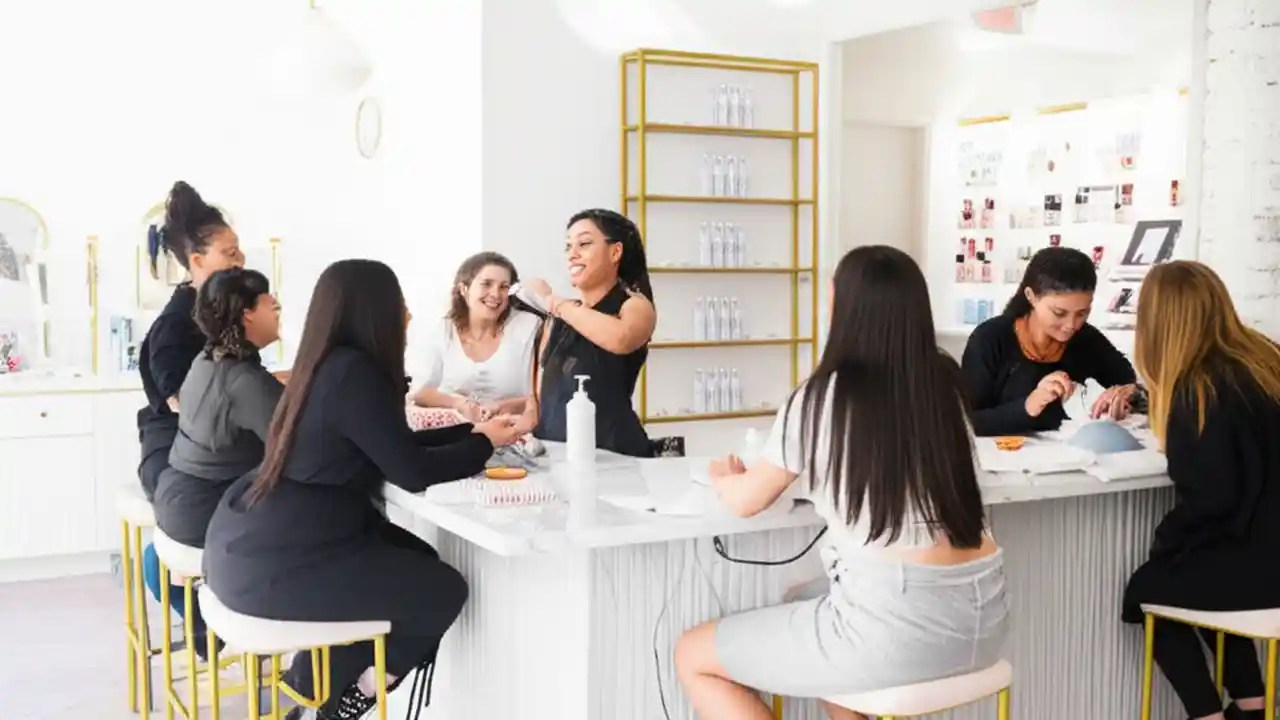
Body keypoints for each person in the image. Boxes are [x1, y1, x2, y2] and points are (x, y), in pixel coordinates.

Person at [674, 246, 1008, 720]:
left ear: (840, 304)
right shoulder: (945, 388)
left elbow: (747, 502)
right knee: (808, 601)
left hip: (896, 631)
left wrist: (726, 479)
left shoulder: (820, 397)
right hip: (984, 620)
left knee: (692, 654)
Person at [204, 259, 523, 720]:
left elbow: (390, 445)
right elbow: (410, 471)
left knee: (418, 561)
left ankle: (313, 690)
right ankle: (348, 701)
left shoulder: (325, 365)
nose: (407, 314)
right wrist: (484, 443)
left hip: (258, 542)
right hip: (282, 558)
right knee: (442, 590)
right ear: (373, 311)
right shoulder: (355, 373)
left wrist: (474, 434)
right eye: (399, 303)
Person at [1121, 262, 1280, 720]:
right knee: (1200, 572)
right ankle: (1252, 703)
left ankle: (1208, 715)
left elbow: (1212, 500)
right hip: (1268, 555)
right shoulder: (1264, 362)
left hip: (1259, 568)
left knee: (1148, 588)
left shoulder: (1199, 390)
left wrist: (1165, 542)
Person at [135, 181, 244, 638]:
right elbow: (191, 403)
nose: (240, 261)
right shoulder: (175, 327)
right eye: (229, 253)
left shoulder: (217, 315)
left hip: (203, 448)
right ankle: (207, 622)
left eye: (239, 251)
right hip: (171, 452)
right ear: (197, 261)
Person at [155, 267, 283, 548]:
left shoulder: (206, 359)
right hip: (203, 510)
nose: (276, 303)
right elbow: (298, 444)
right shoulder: (245, 381)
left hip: (176, 499)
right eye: (267, 298)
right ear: (247, 313)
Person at [961, 246, 1136, 436]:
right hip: (1004, 453)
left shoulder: (1087, 340)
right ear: (1031, 296)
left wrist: (1126, 394)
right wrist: (1027, 407)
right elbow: (965, 421)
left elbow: (1133, 384)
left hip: (1074, 452)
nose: (1071, 325)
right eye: (1059, 313)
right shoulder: (989, 340)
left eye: (1082, 313)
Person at [524, 209, 656, 457]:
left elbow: (621, 338)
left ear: (615, 252)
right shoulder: (559, 318)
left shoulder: (634, 306)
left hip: (616, 456)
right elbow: (542, 391)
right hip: (555, 455)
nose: (572, 254)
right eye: (568, 246)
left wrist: (553, 300)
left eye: (584, 244)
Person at [411, 251, 540, 422]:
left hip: (513, 428)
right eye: (486, 284)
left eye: (504, 287)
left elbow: (540, 396)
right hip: (456, 428)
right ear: (464, 289)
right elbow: (420, 392)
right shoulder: (442, 330)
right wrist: (459, 404)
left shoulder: (527, 326)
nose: (495, 294)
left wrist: (500, 407)